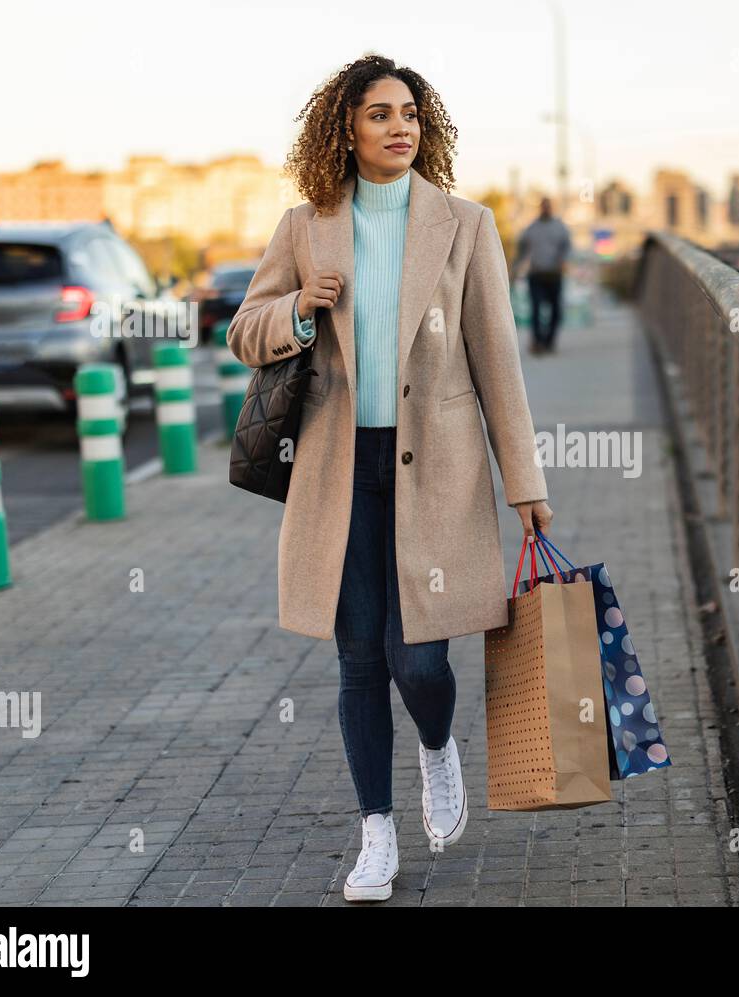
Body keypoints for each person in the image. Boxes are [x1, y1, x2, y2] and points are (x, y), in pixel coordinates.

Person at [226, 53, 553, 903]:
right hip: (340, 474)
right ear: (347, 129)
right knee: (358, 661)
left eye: (409, 112)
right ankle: (376, 833)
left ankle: (438, 748)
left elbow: (498, 360)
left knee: (420, 662)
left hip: (437, 475)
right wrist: (300, 308)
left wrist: (525, 481)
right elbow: (244, 330)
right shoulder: (307, 225)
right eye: (379, 113)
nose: (399, 125)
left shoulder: (466, 224)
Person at [515, 197, 572, 354]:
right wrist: (517, 266)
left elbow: (567, 246)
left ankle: (549, 342)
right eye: (543, 206)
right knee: (536, 310)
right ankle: (538, 342)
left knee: (556, 311)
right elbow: (522, 247)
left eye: (548, 206)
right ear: (540, 208)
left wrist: (564, 260)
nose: (546, 208)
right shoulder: (532, 228)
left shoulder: (560, 227)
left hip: (554, 275)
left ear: (551, 208)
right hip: (536, 274)